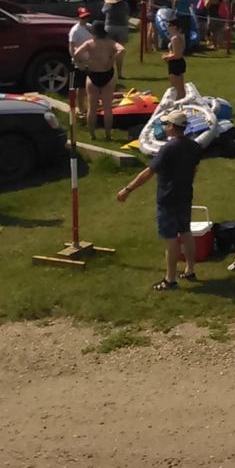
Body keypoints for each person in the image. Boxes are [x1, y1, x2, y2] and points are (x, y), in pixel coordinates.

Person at [117, 109, 201, 291]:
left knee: (171, 239)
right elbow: (194, 170)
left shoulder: (167, 149)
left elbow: (148, 173)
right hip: (185, 195)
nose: (165, 127)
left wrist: (128, 189)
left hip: (168, 198)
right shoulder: (194, 147)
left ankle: (170, 279)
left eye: (166, 124)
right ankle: (190, 270)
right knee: (186, 232)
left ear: (172, 127)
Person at [73, 21, 123, 140]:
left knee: (92, 107)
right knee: (107, 108)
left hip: (93, 74)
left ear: (93, 33)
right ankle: (108, 135)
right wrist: (112, 59)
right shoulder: (111, 43)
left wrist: (85, 62)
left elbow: (76, 54)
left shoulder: (89, 43)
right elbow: (122, 49)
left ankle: (92, 135)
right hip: (107, 74)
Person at [68, 7, 94, 120]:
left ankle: (88, 107)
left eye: (87, 16)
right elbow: (71, 47)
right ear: (78, 17)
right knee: (81, 87)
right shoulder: (75, 30)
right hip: (80, 62)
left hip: (91, 61)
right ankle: (80, 108)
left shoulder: (89, 27)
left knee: (90, 86)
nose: (85, 19)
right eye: (83, 17)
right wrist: (76, 59)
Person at [101, 0, 131, 79]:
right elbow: (127, 13)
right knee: (120, 51)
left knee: (109, 51)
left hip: (110, 27)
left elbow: (103, 11)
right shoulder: (124, 4)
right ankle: (119, 73)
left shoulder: (107, 4)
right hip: (122, 27)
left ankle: (108, 71)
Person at [163, 17, 188, 101]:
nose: (167, 27)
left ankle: (178, 104)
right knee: (180, 87)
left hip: (175, 63)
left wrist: (166, 57)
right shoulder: (181, 36)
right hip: (178, 63)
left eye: (169, 25)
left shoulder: (175, 38)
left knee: (178, 89)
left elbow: (177, 55)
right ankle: (181, 102)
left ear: (174, 27)